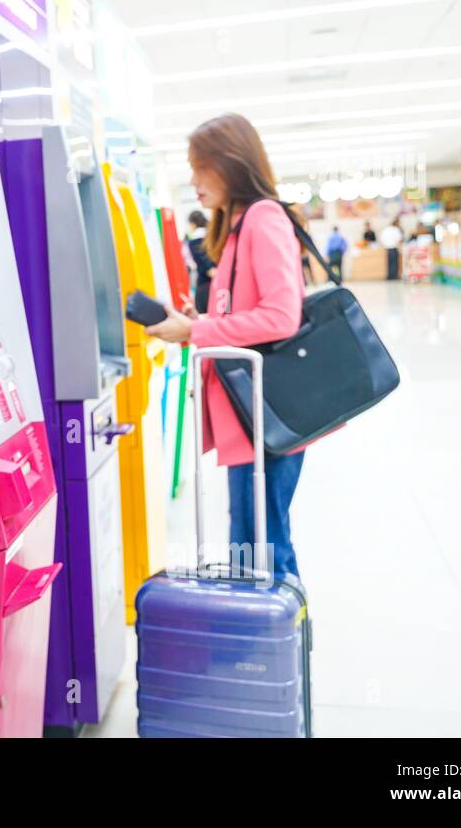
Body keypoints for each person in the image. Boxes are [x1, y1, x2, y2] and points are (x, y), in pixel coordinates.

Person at [145, 113, 308, 581]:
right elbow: (250, 311)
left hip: (269, 410)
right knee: (252, 540)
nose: (193, 181)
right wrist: (205, 322)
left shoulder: (263, 218)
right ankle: (263, 643)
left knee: (264, 546)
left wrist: (196, 333)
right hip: (250, 410)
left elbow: (282, 316)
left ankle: (276, 645)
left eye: (201, 167)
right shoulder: (238, 226)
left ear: (231, 164)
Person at [186, 210, 216, 313]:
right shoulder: (215, 236)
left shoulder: (195, 241)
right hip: (222, 287)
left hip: (205, 287)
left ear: (193, 224)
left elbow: (207, 268)